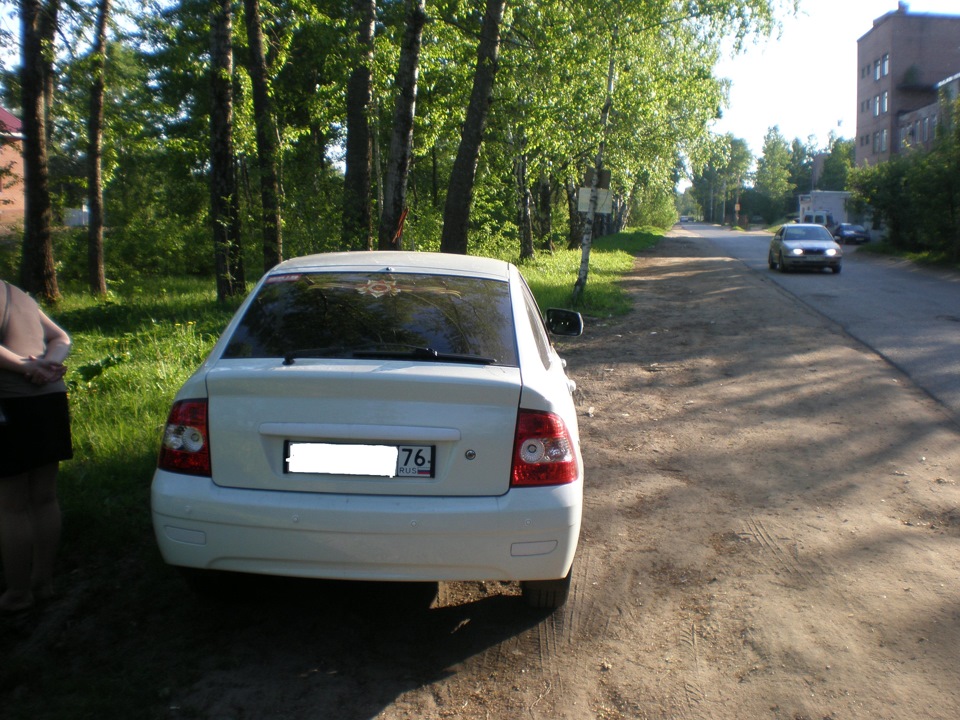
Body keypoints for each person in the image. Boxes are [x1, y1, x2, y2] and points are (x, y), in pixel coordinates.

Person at [0, 279, 72, 613]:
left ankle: (17, 593)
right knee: (44, 496)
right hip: (50, 400)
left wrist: (27, 367)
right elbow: (61, 337)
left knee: (12, 505)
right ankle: (44, 583)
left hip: (10, 404)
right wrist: (50, 364)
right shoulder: (16, 293)